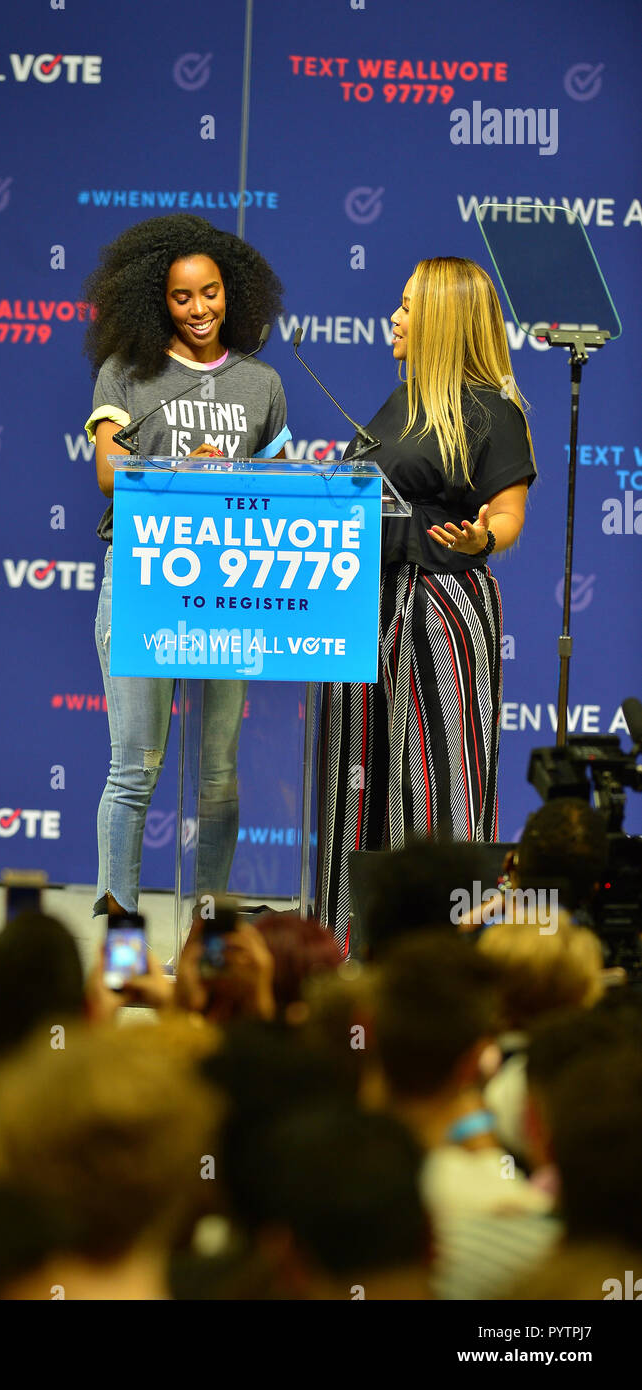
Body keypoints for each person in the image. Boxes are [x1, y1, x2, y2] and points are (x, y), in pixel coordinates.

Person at [317, 258, 537, 945]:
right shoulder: (399, 400)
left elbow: (506, 514)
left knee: (436, 786)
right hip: (363, 605)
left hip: (437, 603)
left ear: (442, 319)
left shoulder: (491, 409)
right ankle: (351, 948)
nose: (394, 317)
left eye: (408, 306)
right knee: (354, 785)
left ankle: (441, 954)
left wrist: (480, 539)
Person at [83, 214, 290, 919]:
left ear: (233, 295)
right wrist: (179, 466)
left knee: (220, 775)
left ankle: (207, 938)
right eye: (181, 298)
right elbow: (110, 471)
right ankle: (120, 942)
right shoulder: (129, 374)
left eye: (210, 294)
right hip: (143, 584)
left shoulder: (261, 384)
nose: (199, 310)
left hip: (232, 591)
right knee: (134, 770)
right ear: (155, 302)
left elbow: (283, 489)